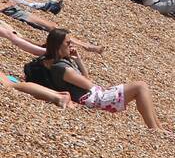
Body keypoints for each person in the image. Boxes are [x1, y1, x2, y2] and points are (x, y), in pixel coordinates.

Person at [23, 29, 159, 129]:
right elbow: (88, 84)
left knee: (142, 86)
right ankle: (154, 128)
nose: (71, 46)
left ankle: (158, 128)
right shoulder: (62, 68)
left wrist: (79, 60)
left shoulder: (56, 62)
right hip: (95, 100)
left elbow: (87, 81)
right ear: (58, 47)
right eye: (68, 43)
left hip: (92, 96)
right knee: (140, 87)